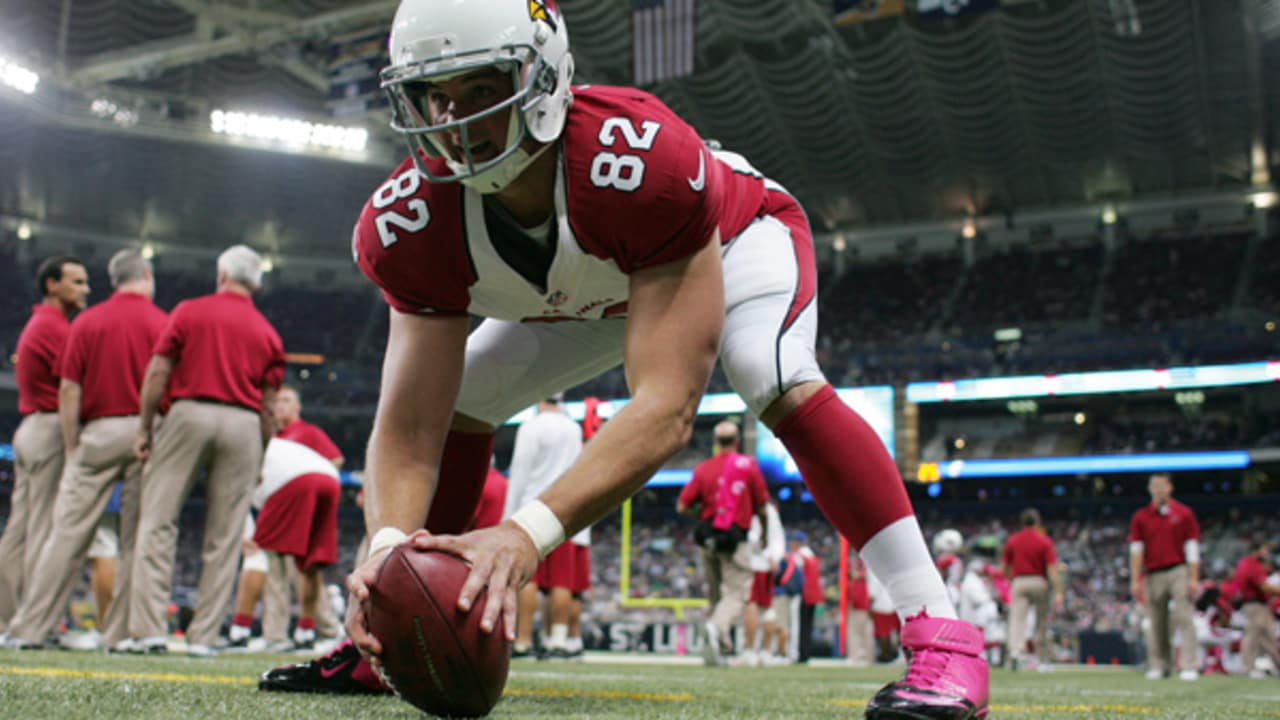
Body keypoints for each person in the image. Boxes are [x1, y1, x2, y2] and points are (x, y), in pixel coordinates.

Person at [281, 1, 989, 714]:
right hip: (589, 289)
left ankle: (943, 635)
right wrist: (386, 550)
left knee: (768, 370)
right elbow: (408, 428)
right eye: (436, 95)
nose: (453, 120)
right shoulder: (411, 220)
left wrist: (523, 536)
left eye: (480, 89)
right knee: (465, 396)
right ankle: (397, 632)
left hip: (730, 241)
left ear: (543, 79)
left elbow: (666, 407)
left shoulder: (640, 162)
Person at [121, 245, 285, 656]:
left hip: (188, 412)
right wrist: (261, 456)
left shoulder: (190, 311)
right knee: (226, 535)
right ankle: (205, 637)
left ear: (220, 274)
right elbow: (269, 408)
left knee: (157, 521)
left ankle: (149, 631)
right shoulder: (268, 332)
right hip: (245, 422)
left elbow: (158, 371)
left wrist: (146, 427)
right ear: (257, 282)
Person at [4, 250, 164, 651]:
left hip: (95, 432)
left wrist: (73, 442)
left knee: (64, 534)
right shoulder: (164, 322)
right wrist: (148, 429)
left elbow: (69, 389)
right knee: (137, 539)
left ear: (112, 280)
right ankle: (122, 634)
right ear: (145, 275)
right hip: (146, 434)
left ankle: (29, 628)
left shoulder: (86, 322)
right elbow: (165, 383)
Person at [0, 255, 89, 638]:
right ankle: (34, 624)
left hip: (32, 427)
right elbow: (74, 382)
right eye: (77, 281)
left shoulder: (44, 323)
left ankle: (9, 618)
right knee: (43, 531)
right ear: (52, 285)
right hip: (51, 426)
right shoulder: (55, 327)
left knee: (19, 532)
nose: (86, 289)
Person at [228, 385, 345, 650]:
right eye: (277, 401)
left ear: (297, 407)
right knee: (309, 563)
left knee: (271, 560)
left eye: (286, 401)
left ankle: (273, 634)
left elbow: (237, 492)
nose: (280, 406)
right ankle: (311, 632)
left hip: (291, 487)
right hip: (326, 482)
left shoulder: (301, 433)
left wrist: (246, 533)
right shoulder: (277, 436)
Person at [677, 422, 768, 666]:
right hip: (735, 537)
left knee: (716, 594)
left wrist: (703, 518)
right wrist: (765, 534)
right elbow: (762, 507)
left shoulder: (704, 468)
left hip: (708, 538)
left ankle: (722, 647)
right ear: (737, 441)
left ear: (716, 442)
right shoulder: (747, 466)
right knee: (737, 592)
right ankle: (716, 628)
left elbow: (682, 505)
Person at [502, 396, 584, 660]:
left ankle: (523, 641)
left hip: (532, 507)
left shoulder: (531, 427)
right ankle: (556, 641)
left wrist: (508, 516)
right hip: (566, 509)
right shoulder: (574, 428)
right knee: (562, 581)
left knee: (530, 579)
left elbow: (520, 472)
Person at [1129, 472, 1201, 681]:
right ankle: (1159, 664)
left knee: (1184, 616)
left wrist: (1193, 577)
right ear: (1150, 489)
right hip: (1152, 573)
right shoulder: (1141, 517)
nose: (1158, 490)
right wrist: (1135, 579)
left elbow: (1192, 548)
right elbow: (1136, 550)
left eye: (1162, 486)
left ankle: (1188, 664)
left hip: (1178, 569)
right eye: (1154, 486)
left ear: (1170, 487)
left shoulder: (1184, 514)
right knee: (1156, 621)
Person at [1002, 507, 1062, 671]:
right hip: (1039, 581)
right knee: (1041, 621)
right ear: (1037, 522)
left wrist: (1010, 580)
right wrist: (1058, 590)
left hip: (1019, 581)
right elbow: (1051, 569)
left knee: (1017, 618)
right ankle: (1042, 659)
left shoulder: (1013, 540)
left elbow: (1005, 567)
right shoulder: (1044, 541)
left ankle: (1015, 651)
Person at [742, 500, 784, 666]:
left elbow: (751, 538)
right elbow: (778, 537)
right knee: (767, 607)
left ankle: (750, 651)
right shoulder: (772, 511)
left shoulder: (751, 507)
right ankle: (767, 652)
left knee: (751, 604)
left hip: (753, 563)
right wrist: (774, 557)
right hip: (768, 564)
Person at [1233, 539, 1280, 678]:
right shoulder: (1251, 564)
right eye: (1264, 550)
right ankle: (1247, 667)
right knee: (1253, 635)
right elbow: (1264, 587)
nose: (1266, 553)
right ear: (1256, 550)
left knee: (1266, 637)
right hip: (1255, 605)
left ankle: (1274, 665)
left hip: (1254, 605)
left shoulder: (1245, 563)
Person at [790, 530, 825, 664]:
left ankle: (800, 654)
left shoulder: (800, 556)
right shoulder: (811, 555)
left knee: (799, 625)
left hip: (803, 594)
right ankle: (805, 653)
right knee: (807, 626)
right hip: (813, 595)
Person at [846, 556, 873, 667]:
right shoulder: (865, 579)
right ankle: (868, 657)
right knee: (866, 633)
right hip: (865, 608)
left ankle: (855, 657)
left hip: (858, 609)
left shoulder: (858, 581)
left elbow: (855, 596)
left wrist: (852, 604)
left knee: (854, 634)